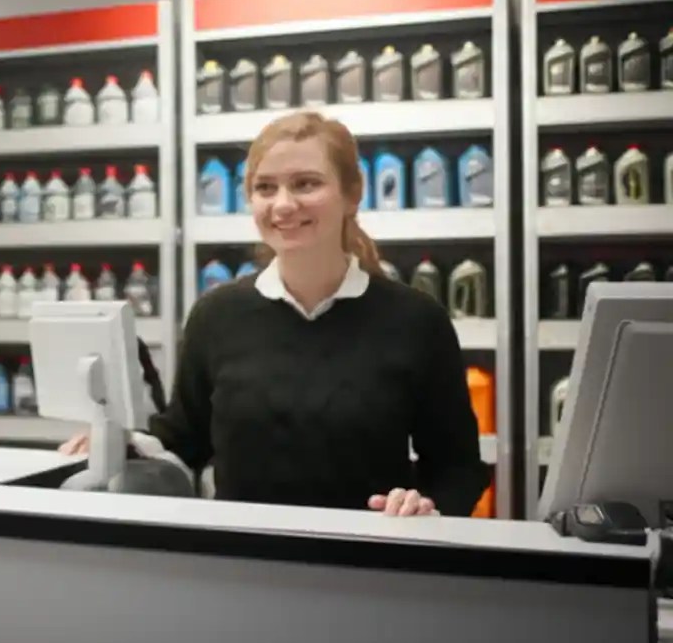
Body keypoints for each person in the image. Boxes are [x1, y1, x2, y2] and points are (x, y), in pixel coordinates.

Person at [62, 111, 487, 517]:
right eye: (265, 188)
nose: (283, 205)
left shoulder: (415, 320)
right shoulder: (217, 315)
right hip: (242, 566)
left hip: (371, 567)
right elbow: (183, 440)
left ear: (353, 194)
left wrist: (426, 506)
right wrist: (121, 444)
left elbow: (458, 466)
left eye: (306, 184)